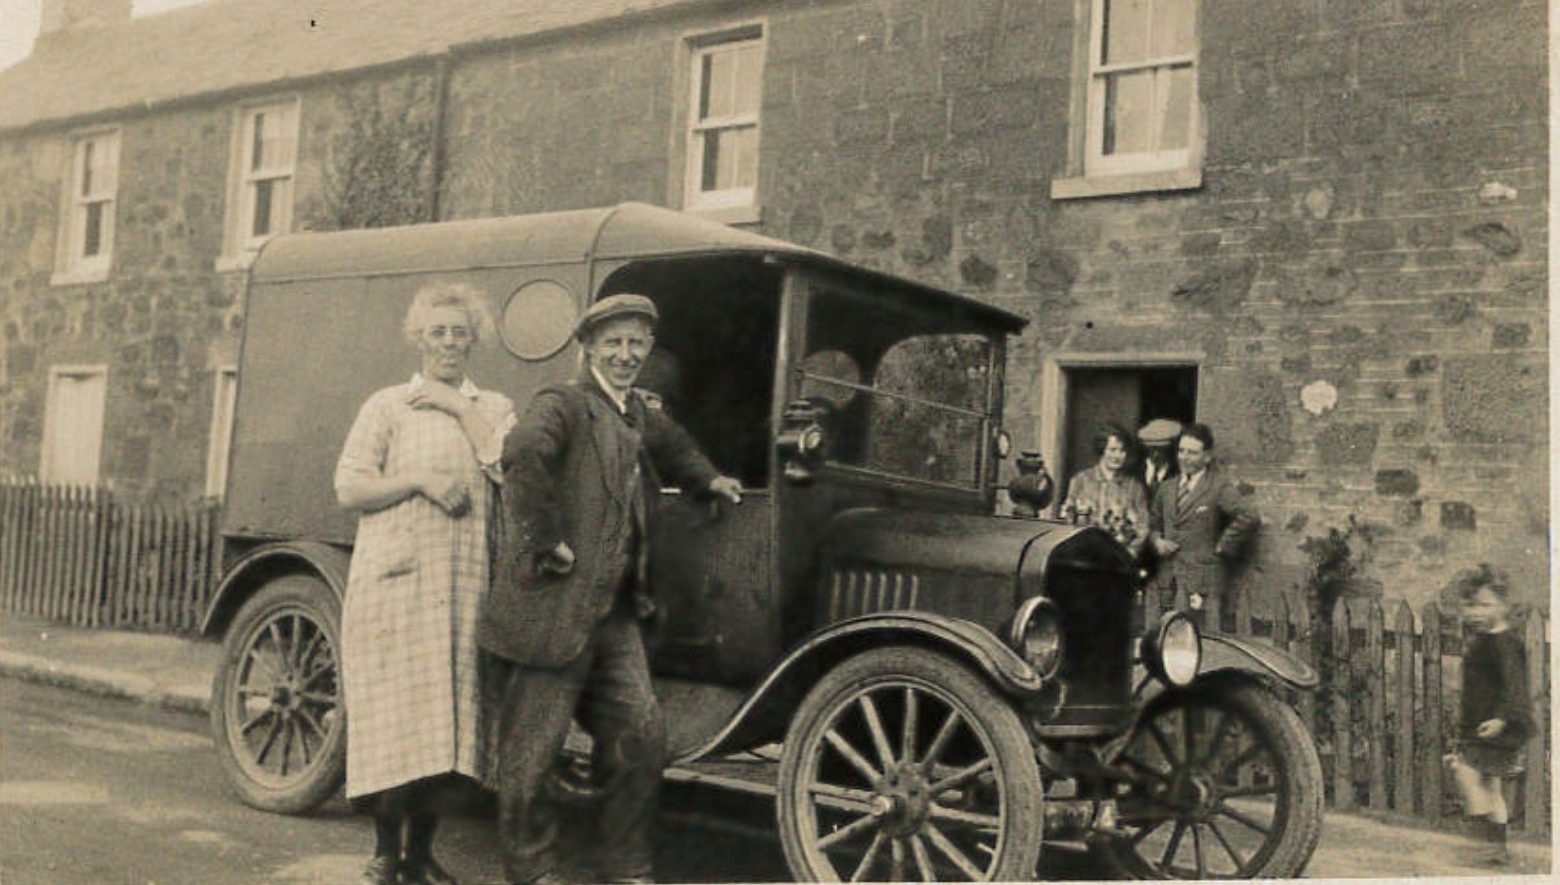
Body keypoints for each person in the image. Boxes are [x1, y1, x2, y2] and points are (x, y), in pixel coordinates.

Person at [481, 293, 742, 885]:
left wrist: (710, 479)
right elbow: (520, 453)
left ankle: (626, 865)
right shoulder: (566, 402)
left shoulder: (634, 412)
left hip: (615, 614)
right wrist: (545, 540)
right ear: (590, 347)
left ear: (647, 349)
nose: (626, 355)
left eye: (636, 344)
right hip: (553, 607)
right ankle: (532, 870)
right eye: (615, 344)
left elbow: (674, 446)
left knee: (642, 739)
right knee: (532, 752)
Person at [334, 282, 517, 885]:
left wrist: (459, 409)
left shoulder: (492, 408)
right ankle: (386, 852)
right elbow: (351, 487)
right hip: (396, 585)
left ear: (474, 340)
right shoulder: (387, 406)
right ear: (418, 338)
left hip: (462, 590)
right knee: (397, 718)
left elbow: (505, 469)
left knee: (451, 727)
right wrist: (418, 479)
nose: (448, 343)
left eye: (459, 332)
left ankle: (422, 855)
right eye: (437, 332)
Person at [1444, 565, 1534, 866]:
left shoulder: (1505, 644)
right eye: (1471, 605)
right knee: (1492, 788)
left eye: (1485, 604)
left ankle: (1483, 842)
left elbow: (1515, 687)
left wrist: (1502, 719)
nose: (1476, 612)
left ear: (1504, 606)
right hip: (1481, 727)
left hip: (1495, 728)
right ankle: (1498, 848)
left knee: (1466, 775)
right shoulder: (1483, 641)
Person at [1146, 422, 1259, 627]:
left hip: (1203, 580)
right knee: (1167, 638)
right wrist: (1157, 541)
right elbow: (1153, 521)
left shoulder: (1218, 486)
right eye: (1181, 451)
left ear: (1206, 456)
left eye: (1192, 453)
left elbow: (1248, 516)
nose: (1184, 458)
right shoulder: (1166, 488)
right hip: (1169, 579)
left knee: (1201, 639)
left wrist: (1222, 546)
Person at [1060, 422, 1148, 557]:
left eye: (1122, 450)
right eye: (1113, 450)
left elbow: (1143, 525)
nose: (1118, 456)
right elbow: (1068, 518)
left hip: (1120, 559)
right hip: (1084, 556)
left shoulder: (1134, 487)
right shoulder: (1081, 481)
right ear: (1102, 450)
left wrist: (1129, 551)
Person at [1136, 418, 1182, 497]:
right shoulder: (1134, 469)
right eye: (1151, 449)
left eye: (1161, 449)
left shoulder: (1178, 473)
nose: (1155, 454)